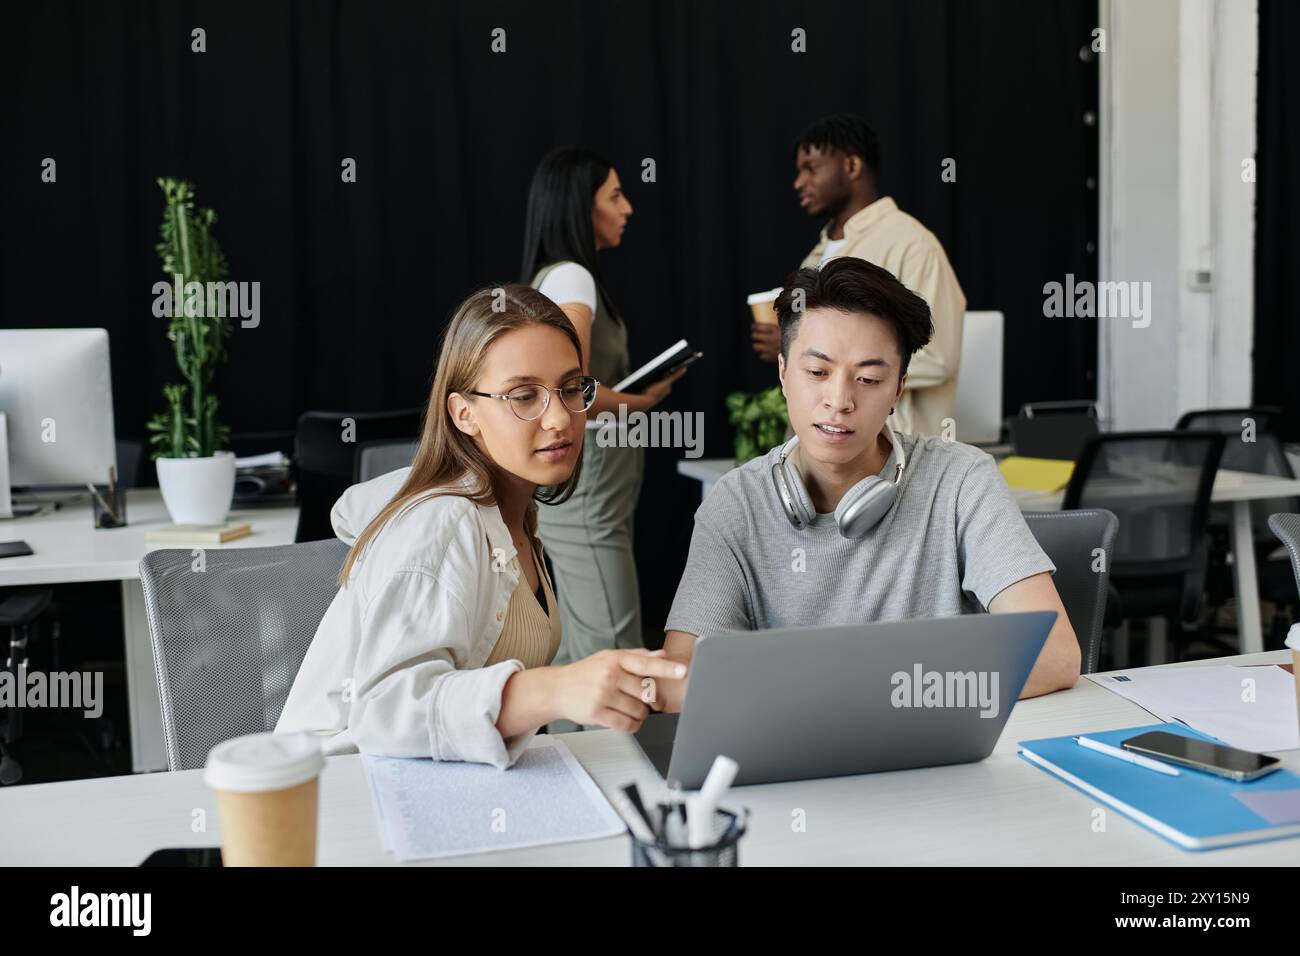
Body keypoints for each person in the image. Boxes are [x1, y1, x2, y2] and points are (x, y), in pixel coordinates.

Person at [275, 285, 686, 767]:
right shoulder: (442, 521)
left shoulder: (518, 514)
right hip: (338, 791)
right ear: (463, 414)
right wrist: (552, 690)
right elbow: (385, 708)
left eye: (572, 388)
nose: (559, 418)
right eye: (524, 396)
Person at [658, 258, 1078, 713]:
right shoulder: (735, 504)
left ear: (898, 389)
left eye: (869, 379)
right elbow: (679, 683)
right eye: (817, 372)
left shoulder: (961, 480)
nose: (839, 401)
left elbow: (1054, 655)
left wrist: (856, 692)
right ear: (782, 372)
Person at [520, 146, 686, 675]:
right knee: (616, 657)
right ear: (581, 206)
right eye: (615, 196)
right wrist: (643, 401)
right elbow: (570, 388)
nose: (627, 207)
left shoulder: (557, 277)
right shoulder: (573, 278)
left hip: (586, 500)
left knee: (578, 657)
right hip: (586, 501)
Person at [751, 113, 966, 438]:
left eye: (811, 168)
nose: (798, 182)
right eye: (798, 172)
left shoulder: (912, 244)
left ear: (852, 166)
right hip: (813, 451)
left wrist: (837, 362)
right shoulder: (816, 255)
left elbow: (939, 357)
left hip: (891, 453)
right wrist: (791, 345)